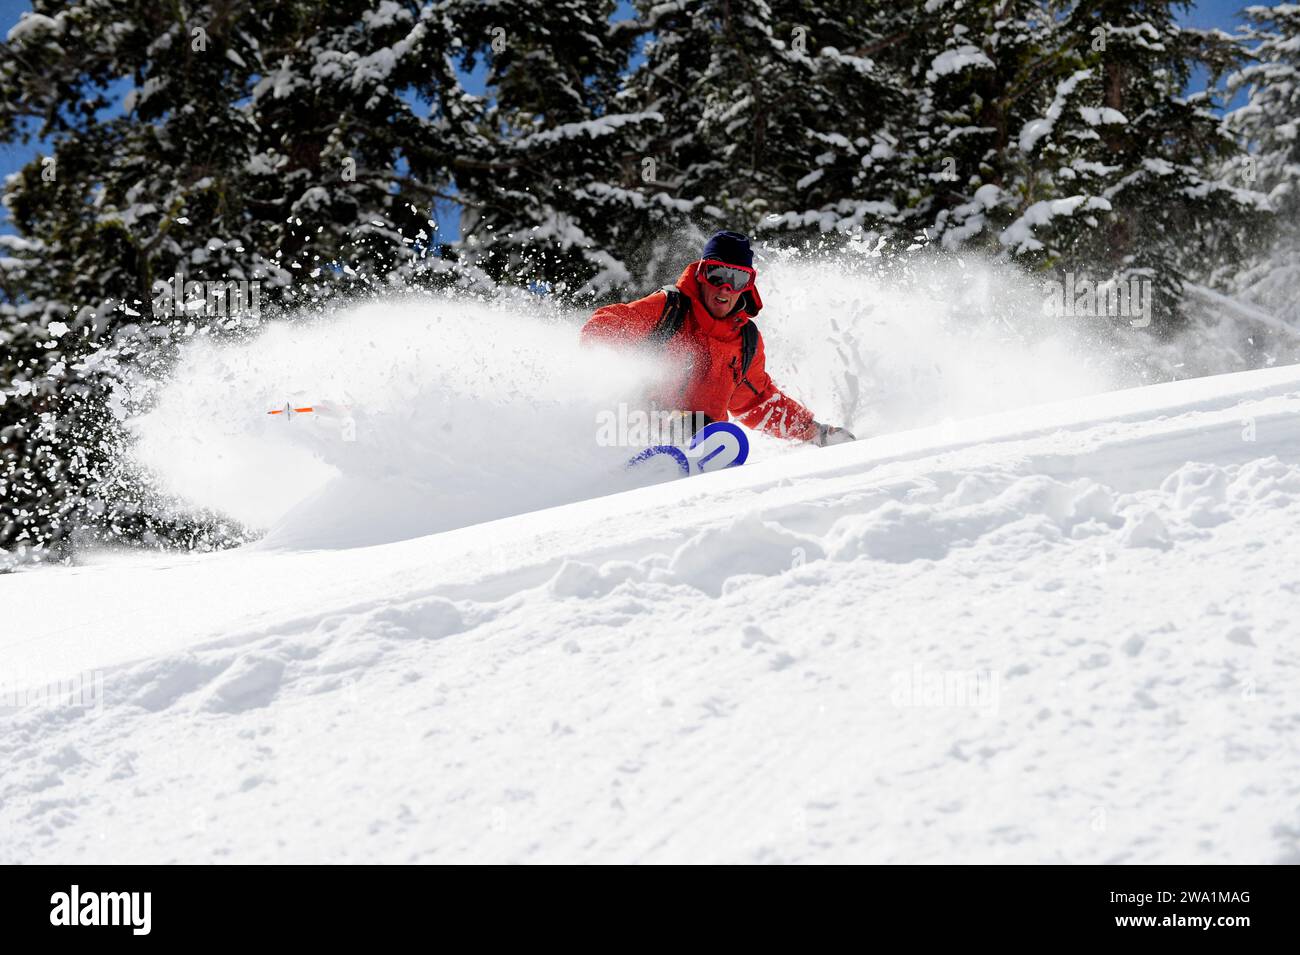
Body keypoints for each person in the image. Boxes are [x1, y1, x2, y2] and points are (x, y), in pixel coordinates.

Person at [580, 231, 855, 446]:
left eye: (737, 279)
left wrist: (814, 431)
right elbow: (605, 325)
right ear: (702, 274)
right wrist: (612, 359)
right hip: (635, 432)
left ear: (748, 285)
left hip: (703, 448)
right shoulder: (669, 310)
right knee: (689, 424)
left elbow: (757, 402)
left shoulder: (745, 341)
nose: (725, 286)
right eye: (717, 274)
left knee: (703, 427)